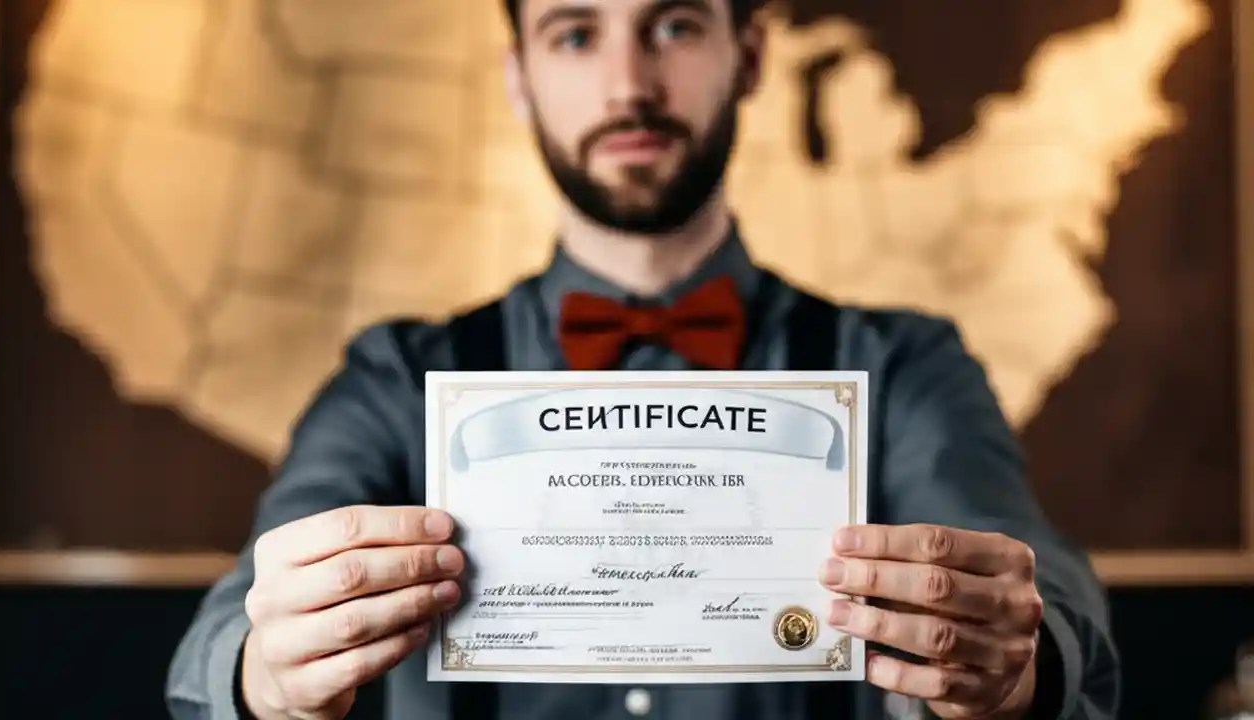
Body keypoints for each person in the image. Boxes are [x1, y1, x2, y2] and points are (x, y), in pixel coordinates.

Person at [167, 1, 1119, 718]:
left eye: (673, 26)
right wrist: (269, 672)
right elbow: (221, 642)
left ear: (748, 57)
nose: (629, 86)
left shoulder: (906, 363)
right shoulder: (392, 380)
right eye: (576, 34)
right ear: (518, 78)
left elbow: (1050, 595)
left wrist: (1017, 665)